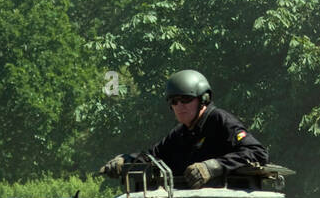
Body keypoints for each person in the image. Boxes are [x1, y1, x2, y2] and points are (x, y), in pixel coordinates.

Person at [101, 70, 268, 189]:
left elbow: (257, 152)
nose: (179, 106)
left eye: (186, 99)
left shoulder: (220, 120)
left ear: (204, 99)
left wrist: (213, 167)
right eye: (174, 101)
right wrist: (127, 160)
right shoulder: (180, 133)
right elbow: (153, 157)